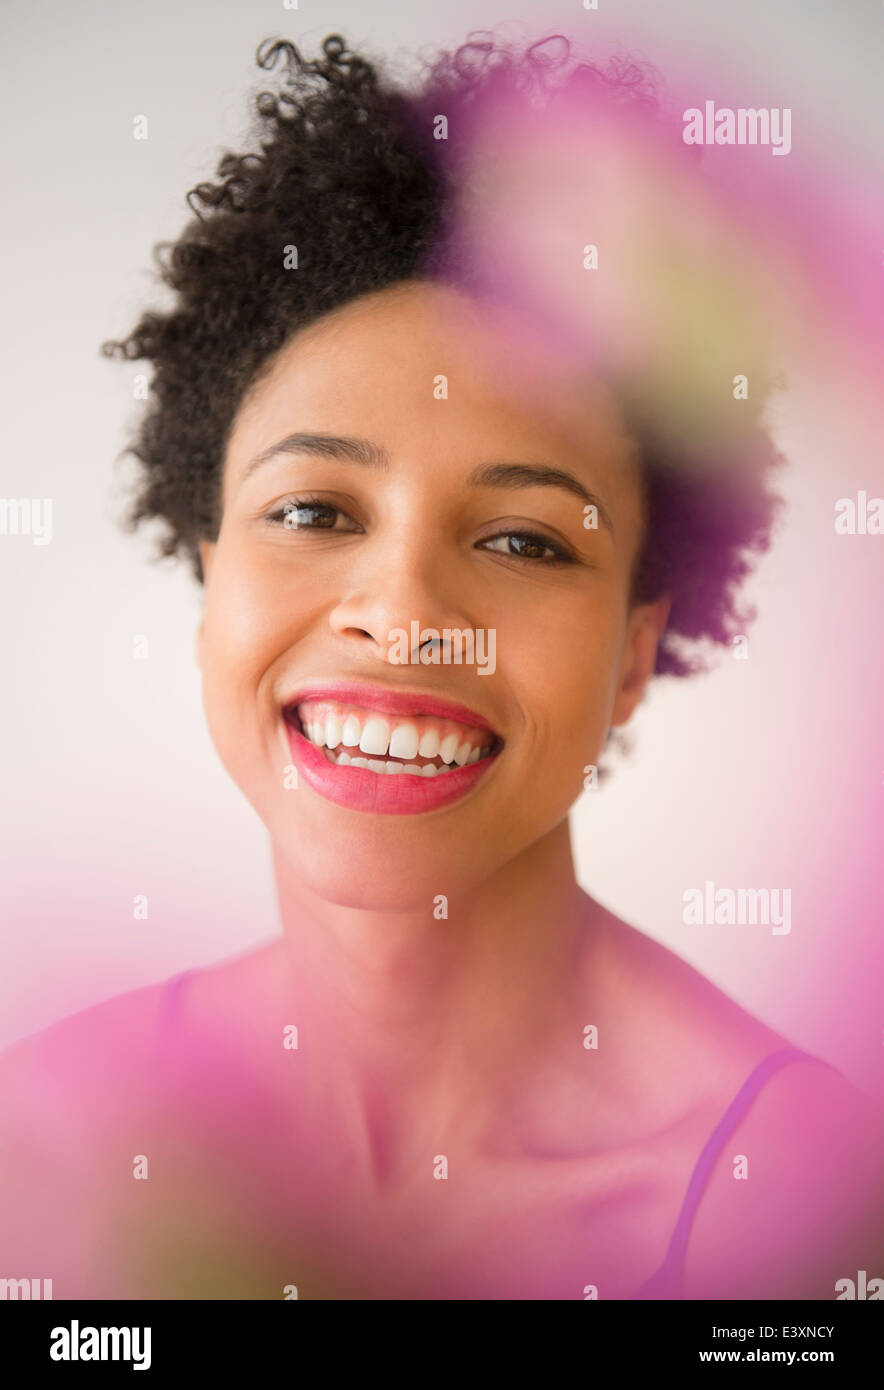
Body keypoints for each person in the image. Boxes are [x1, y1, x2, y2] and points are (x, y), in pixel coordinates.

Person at [1, 32, 880, 1301]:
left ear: (633, 652)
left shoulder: (802, 1206)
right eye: (313, 513)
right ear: (208, 579)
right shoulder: (47, 1136)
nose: (405, 617)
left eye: (523, 540)